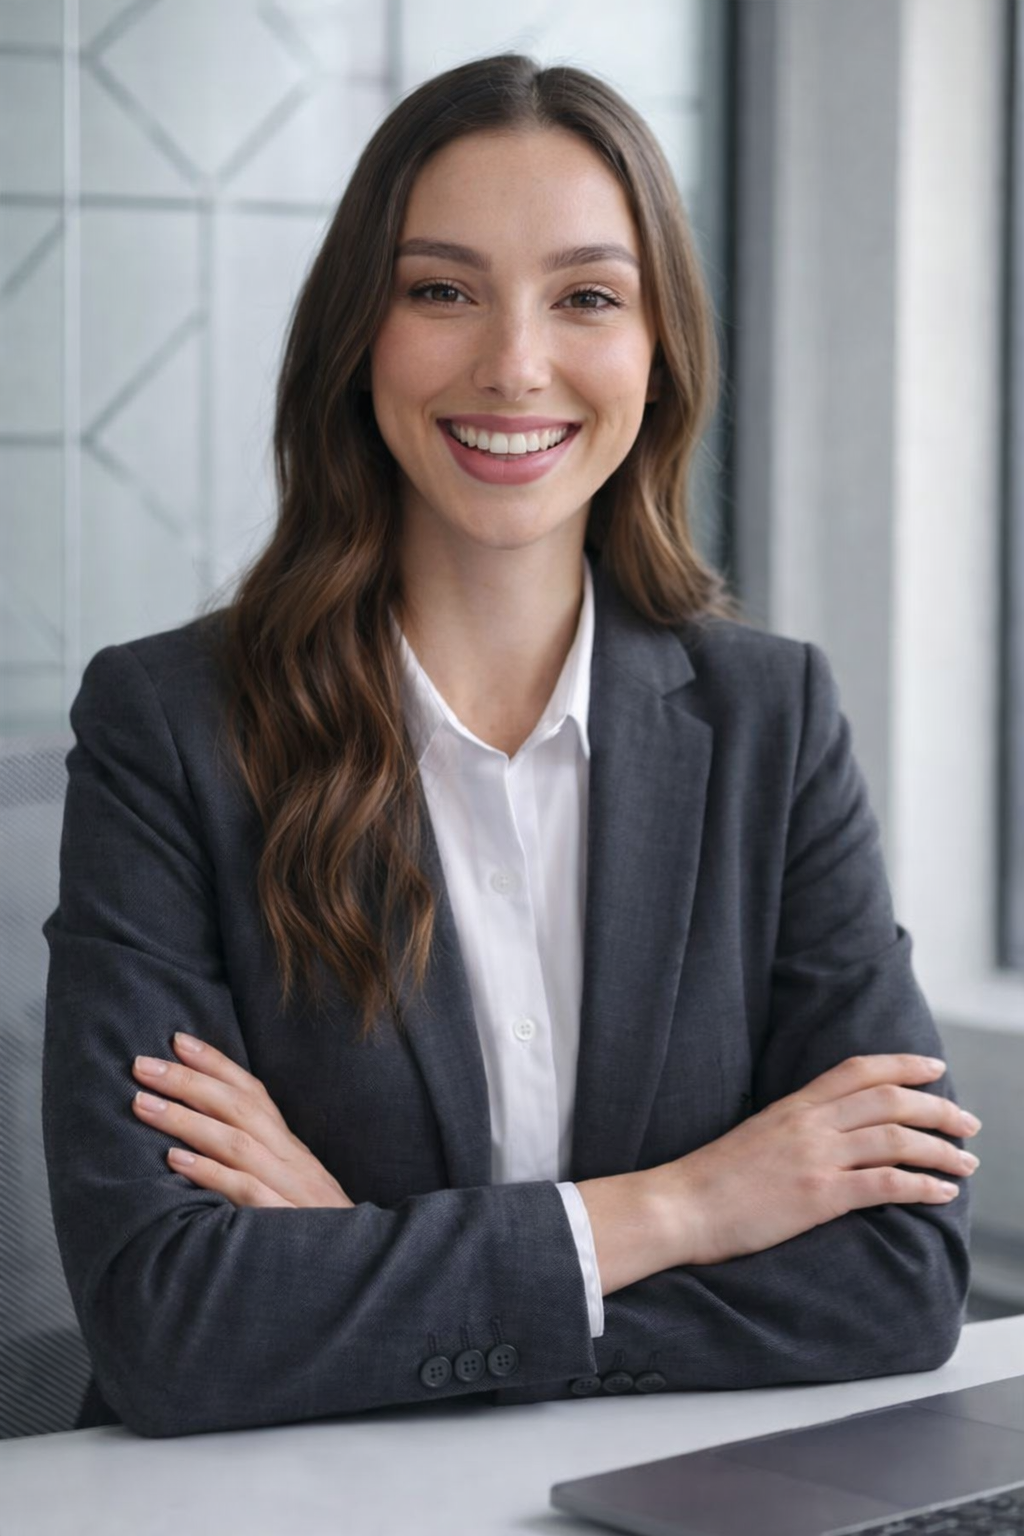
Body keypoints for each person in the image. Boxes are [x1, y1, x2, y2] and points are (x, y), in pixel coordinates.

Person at [42, 53, 977, 1440]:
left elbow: (894, 1281)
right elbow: (172, 1321)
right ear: (360, 334)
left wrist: (373, 1256)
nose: (515, 364)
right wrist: (685, 1208)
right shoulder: (171, 729)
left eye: (587, 297)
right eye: (442, 291)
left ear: (658, 356)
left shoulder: (772, 723)